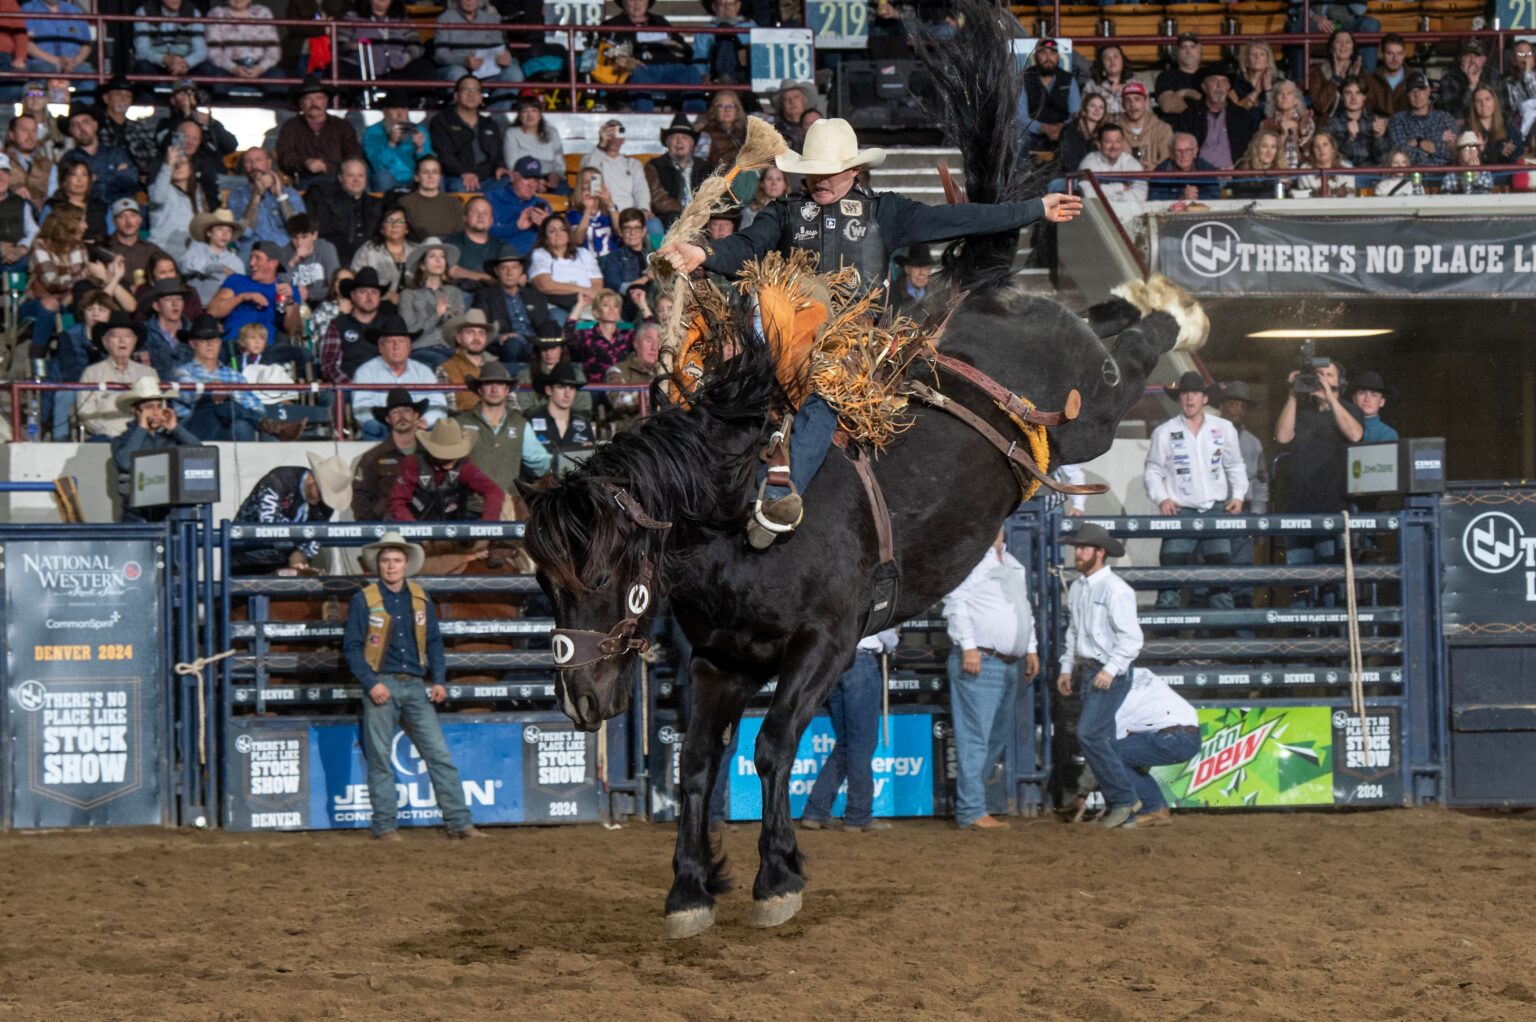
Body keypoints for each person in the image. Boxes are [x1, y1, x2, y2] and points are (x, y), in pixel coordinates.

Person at [657, 117, 1080, 542]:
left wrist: (1036, 209)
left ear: (854, 171)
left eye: (829, 171)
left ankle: (781, 494)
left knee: (824, 391)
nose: (819, 180)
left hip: (854, 346)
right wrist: (702, 252)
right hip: (787, 333)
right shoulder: (785, 212)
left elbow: (960, 218)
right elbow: (745, 248)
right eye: (813, 172)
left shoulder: (885, 212)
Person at [343, 530, 486, 841]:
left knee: (438, 756)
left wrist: (438, 679)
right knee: (382, 759)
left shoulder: (420, 598)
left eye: (396, 560)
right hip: (382, 684)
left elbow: (434, 641)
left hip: (414, 685)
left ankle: (459, 822)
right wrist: (370, 683)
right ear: (378, 565)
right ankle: (386, 826)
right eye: (386, 561)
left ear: (405, 564)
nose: (391, 566)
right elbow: (352, 648)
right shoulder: (363, 600)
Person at [942, 529, 1040, 831]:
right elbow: (955, 601)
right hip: (981, 659)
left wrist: (1031, 648)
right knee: (976, 738)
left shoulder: (1011, 563)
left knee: (993, 737)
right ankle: (971, 809)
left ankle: (973, 803)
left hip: (1008, 661)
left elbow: (1024, 609)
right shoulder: (972, 559)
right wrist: (968, 645)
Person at [1055, 523, 1144, 830]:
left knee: (1089, 734)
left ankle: (1123, 799)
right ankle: (1125, 813)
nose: (1078, 553)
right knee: (1099, 738)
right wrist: (1067, 667)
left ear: (1100, 552)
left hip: (1108, 672)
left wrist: (1109, 669)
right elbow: (1075, 631)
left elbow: (1131, 639)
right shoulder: (1080, 587)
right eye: (1077, 547)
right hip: (1091, 670)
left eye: (1083, 548)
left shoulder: (1117, 590)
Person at [1143, 370, 1247, 611]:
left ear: (1205, 398)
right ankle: (1168, 642)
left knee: (1220, 581)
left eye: (1195, 393)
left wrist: (1239, 496)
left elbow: (1235, 465)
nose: (1190, 399)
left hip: (1215, 510)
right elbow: (1153, 470)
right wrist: (1162, 498)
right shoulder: (1165, 431)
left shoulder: (1223, 428)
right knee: (1170, 580)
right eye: (1185, 394)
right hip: (1180, 513)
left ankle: (1222, 643)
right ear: (1179, 398)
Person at [797, 626, 898, 833]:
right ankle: (858, 816)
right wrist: (893, 639)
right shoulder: (871, 593)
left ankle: (816, 811)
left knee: (845, 744)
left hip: (831, 665)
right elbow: (887, 636)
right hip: (860, 662)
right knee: (861, 744)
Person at [1273, 357, 1363, 581]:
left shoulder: (1350, 410)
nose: (1322, 379)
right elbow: (1283, 437)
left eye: (1328, 374)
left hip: (1333, 506)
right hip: (1299, 506)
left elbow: (1355, 434)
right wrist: (1293, 394)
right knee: (1299, 579)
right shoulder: (1301, 411)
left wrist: (1331, 399)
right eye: (1317, 374)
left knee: (1330, 578)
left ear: (1339, 381)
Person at [173, 313, 296, 440]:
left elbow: (256, 407)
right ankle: (272, 427)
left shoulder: (234, 375)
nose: (210, 344)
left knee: (240, 424)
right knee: (212, 404)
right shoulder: (182, 372)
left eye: (214, 339)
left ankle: (265, 429)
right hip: (193, 429)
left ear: (220, 342)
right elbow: (190, 396)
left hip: (225, 429)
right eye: (203, 340)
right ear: (193, 344)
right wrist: (213, 392)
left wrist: (225, 396)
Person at [229, 451, 353, 573]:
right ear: (312, 480)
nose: (322, 500)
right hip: (244, 556)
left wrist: (299, 558)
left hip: (279, 562)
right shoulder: (279, 479)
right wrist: (297, 551)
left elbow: (312, 542)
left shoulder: (325, 505)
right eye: (322, 493)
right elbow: (268, 528)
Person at [1112, 669, 1200, 828]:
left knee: (1112, 755)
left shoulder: (1121, 698)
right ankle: (1153, 808)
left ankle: (1154, 808)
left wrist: (1082, 793)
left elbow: (1108, 748)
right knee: (1125, 754)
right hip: (1189, 735)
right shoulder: (1141, 673)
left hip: (1171, 737)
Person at [111, 376, 202, 521]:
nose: (155, 412)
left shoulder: (172, 437)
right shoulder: (123, 440)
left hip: (169, 512)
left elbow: (200, 454)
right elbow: (125, 463)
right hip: (137, 514)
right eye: (149, 407)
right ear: (136, 411)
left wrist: (174, 428)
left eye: (159, 406)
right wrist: (141, 428)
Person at [453, 361, 551, 493]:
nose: (494, 389)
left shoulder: (520, 424)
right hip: (471, 505)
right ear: (479, 389)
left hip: (510, 505)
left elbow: (541, 462)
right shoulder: (461, 423)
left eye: (499, 383)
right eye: (488, 383)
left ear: (506, 390)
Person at [389, 417, 506, 520]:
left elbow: (494, 492)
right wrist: (415, 531)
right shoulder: (413, 463)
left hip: (453, 531)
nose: (448, 459)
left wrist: (486, 530)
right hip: (415, 526)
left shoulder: (465, 468)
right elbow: (398, 502)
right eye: (443, 454)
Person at [352, 312, 448, 438]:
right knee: (372, 427)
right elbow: (362, 410)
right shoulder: (365, 372)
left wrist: (424, 421)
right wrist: (393, 423)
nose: (396, 346)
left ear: (409, 347)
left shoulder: (424, 372)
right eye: (390, 341)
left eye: (401, 341)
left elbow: (439, 405)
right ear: (381, 347)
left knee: (441, 428)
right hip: (384, 427)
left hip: (419, 428)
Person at [598, 0, 702, 113]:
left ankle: (695, 116)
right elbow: (606, 51)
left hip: (668, 68)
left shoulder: (660, 21)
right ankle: (644, 117)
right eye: (631, 0)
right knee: (637, 73)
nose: (637, 4)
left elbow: (686, 51)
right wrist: (624, 59)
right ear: (623, 3)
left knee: (691, 72)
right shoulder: (612, 24)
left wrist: (676, 47)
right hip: (638, 69)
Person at [231, 322, 331, 431]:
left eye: (261, 338)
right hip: (248, 401)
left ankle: (295, 424)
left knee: (285, 405)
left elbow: (303, 354)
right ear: (242, 342)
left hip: (272, 399)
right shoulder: (236, 362)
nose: (257, 342)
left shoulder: (271, 357)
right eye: (252, 338)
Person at [276, 79, 366, 192]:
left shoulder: (342, 126)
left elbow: (354, 155)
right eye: (308, 98)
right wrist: (306, 163)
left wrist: (328, 167)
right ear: (300, 103)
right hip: (306, 181)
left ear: (326, 101)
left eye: (319, 98)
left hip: (339, 181)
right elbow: (284, 157)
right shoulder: (291, 127)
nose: (314, 103)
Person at [206, 239, 300, 344]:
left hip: (264, 349)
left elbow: (293, 330)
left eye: (257, 258)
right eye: (251, 257)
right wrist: (241, 297)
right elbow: (213, 311)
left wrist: (290, 303)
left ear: (273, 263)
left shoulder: (287, 290)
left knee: (302, 354)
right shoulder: (236, 280)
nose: (251, 263)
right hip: (234, 344)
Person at [352, 387, 426, 519]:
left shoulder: (430, 453)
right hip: (389, 529)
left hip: (428, 526)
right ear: (388, 419)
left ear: (416, 415)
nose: (402, 416)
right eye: (395, 412)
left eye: (407, 410)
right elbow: (361, 498)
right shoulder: (374, 457)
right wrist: (372, 532)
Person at [428, 75, 506, 193]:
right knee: (460, 187)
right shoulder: (442, 121)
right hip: (457, 177)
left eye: (475, 91)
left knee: (510, 184)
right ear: (456, 96)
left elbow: (498, 155)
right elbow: (445, 156)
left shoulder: (489, 124)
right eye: (466, 90)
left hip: (487, 178)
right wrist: (463, 173)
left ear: (480, 98)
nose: (471, 94)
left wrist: (500, 167)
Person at [398, 236, 466, 364]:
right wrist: (437, 315)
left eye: (442, 256)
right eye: (432, 256)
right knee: (446, 364)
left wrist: (452, 318)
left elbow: (459, 329)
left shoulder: (454, 292)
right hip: (421, 349)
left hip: (450, 348)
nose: (438, 260)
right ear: (422, 265)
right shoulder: (408, 295)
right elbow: (410, 331)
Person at [147, 130, 213, 261]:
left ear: (191, 168)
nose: (179, 165)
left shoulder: (198, 194)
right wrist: (168, 164)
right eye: (175, 164)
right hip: (162, 254)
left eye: (183, 162)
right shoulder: (160, 188)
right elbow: (158, 197)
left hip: (189, 256)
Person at [227, 148, 305, 258]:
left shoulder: (290, 193)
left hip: (284, 250)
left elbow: (299, 229)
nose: (253, 166)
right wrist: (256, 195)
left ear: (269, 163)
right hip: (251, 252)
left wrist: (280, 196)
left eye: (258, 160)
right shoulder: (236, 195)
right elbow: (245, 232)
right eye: (248, 161)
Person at [474, 252, 550, 364]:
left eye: (514, 267)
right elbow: (480, 327)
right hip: (506, 346)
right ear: (497, 271)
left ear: (521, 270)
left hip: (534, 344)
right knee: (513, 343)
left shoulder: (535, 296)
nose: (509, 273)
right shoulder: (485, 295)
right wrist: (499, 337)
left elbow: (545, 324)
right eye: (504, 268)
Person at [319, 266, 390, 385]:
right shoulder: (338, 325)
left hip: (384, 386)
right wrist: (352, 386)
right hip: (347, 386)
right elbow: (329, 366)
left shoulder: (389, 324)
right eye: (363, 292)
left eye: (374, 292)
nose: (369, 297)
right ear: (352, 295)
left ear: (379, 297)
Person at [433, 0, 522, 91]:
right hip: (458, 69)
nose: (469, 1)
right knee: (458, 74)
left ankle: (497, 105)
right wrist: (463, 60)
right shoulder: (444, 19)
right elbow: (440, 56)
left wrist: (504, 57)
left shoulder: (491, 19)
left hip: (488, 71)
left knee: (514, 73)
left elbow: (498, 48)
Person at [1176, 68, 1254, 171]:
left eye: (1224, 81)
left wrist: (1238, 170)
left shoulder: (1242, 116)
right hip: (1199, 176)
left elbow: (1249, 150)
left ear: (1229, 87)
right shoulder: (1189, 116)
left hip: (1233, 176)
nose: (1220, 85)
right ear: (1204, 87)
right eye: (1214, 81)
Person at [59, 106, 138, 208]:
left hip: (118, 214)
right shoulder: (69, 158)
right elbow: (66, 189)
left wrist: (96, 178)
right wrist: (114, 174)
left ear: (95, 126)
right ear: (70, 131)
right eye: (75, 125)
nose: (81, 128)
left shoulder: (115, 152)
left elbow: (131, 178)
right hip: (84, 213)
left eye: (85, 122)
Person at [529, 216, 601, 325]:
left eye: (562, 229)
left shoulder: (583, 253)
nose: (558, 234)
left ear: (568, 233)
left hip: (587, 302)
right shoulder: (540, 254)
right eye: (552, 231)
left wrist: (590, 296)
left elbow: (597, 283)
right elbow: (545, 285)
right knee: (564, 325)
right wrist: (583, 290)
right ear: (545, 238)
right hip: (557, 304)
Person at [527, 360, 595, 474]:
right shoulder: (531, 422)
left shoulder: (584, 424)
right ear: (549, 390)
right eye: (561, 387)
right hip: (540, 487)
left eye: (572, 388)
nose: (567, 394)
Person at [203, 0, 284, 92]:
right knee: (218, 83)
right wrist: (233, 68)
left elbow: (273, 50)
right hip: (227, 67)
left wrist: (260, 68)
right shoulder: (216, 14)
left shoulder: (263, 13)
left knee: (278, 79)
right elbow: (213, 51)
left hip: (259, 65)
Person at [644, 114, 708, 230]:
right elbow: (658, 199)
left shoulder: (704, 167)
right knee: (672, 217)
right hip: (670, 217)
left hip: (702, 216)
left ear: (692, 144)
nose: (679, 142)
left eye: (684, 137)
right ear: (667, 143)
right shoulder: (654, 166)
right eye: (674, 137)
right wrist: (686, 211)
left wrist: (701, 211)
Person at [363, 90, 431, 193]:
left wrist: (420, 148)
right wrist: (391, 143)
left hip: (414, 178)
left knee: (433, 176)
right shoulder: (372, 132)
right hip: (388, 179)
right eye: (394, 109)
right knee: (383, 177)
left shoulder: (419, 131)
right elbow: (377, 166)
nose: (400, 114)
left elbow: (430, 163)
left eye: (403, 109)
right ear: (384, 111)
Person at [579, 120, 651, 218]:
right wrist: (601, 145)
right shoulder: (590, 159)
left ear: (623, 139)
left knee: (654, 225)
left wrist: (643, 209)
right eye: (609, 132)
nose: (614, 137)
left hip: (629, 214)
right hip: (602, 212)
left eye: (618, 132)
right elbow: (589, 177)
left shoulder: (633, 164)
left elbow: (641, 189)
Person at [1018, 38, 1079, 153]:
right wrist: (1042, 128)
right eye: (1043, 53)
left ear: (1058, 57)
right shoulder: (1024, 79)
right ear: (1036, 57)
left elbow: (1076, 114)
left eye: (1052, 53)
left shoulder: (1068, 79)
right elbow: (1020, 117)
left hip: (1063, 134)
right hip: (1032, 136)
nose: (1048, 57)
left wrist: (1062, 127)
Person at [484, 155, 552, 256]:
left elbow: (556, 239)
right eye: (527, 178)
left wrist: (547, 226)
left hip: (537, 259)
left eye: (536, 180)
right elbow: (482, 232)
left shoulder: (542, 205)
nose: (531, 185)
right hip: (502, 258)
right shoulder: (492, 198)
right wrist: (516, 226)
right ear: (512, 176)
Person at [95, 74, 159, 179]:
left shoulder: (139, 127)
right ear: (106, 98)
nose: (123, 99)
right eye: (118, 94)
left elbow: (152, 154)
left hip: (137, 181)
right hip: (105, 180)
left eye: (128, 96)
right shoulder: (96, 126)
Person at [1388, 73, 1458, 167]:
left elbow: (1453, 153)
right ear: (1407, 95)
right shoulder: (1397, 120)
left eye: (1421, 90)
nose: (1417, 95)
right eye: (1412, 91)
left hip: (1443, 177)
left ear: (1428, 91)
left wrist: (1418, 142)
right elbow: (1401, 155)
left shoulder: (1445, 118)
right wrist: (1437, 144)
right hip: (1410, 177)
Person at [1078, 123, 1145, 219]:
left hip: (1129, 217)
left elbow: (1140, 195)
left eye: (1118, 141)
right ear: (1099, 144)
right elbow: (1087, 194)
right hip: (1098, 217)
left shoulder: (1132, 163)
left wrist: (1106, 196)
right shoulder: (1089, 162)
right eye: (1108, 141)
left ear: (1123, 143)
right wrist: (1120, 187)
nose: (1114, 146)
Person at [435, 307, 497, 411]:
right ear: (459, 338)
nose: (476, 337)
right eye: (470, 332)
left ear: (485, 339)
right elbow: (449, 411)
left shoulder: (497, 367)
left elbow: (512, 407)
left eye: (481, 333)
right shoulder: (445, 369)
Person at [563, 287, 632, 378]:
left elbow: (651, 334)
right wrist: (580, 305)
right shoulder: (587, 335)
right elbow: (568, 335)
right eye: (606, 305)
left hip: (624, 388)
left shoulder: (627, 335)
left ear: (619, 314)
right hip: (594, 388)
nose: (611, 309)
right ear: (596, 313)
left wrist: (643, 305)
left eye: (615, 306)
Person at [503, 96, 567, 194]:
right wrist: (536, 181)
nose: (530, 115)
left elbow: (559, 163)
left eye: (534, 110)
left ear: (540, 114)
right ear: (519, 115)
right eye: (525, 111)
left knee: (564, 192)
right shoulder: (512, 133)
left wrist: (557, 176)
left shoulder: (552, 133)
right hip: (524, 179)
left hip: (549, 178)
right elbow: (512, 165)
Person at [182, 208, 246, 305]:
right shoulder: (197, 248)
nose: (225, 234)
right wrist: (218, 268)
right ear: (209, 233)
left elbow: (241, 288)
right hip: (195, 306)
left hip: (220, 309)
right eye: (220, 229)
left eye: (229, 231)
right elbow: (184, 265)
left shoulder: (235, 262)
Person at [21, 0, 95, 84]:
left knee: (88, 75)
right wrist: (57, 61)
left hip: (73, 64)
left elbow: (86, 44)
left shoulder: (75, 10)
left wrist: (75, 62)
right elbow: (26, 44)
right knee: (43, 71)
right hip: (41, 63)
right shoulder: (28, 9)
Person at [350, 209, 417, 299]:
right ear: (381, 229)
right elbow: (355, 280)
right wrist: (386, 295)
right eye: (389, 221)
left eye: (400, 221)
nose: (394, 225)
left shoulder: (417, 251)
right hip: (378, 304)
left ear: (406, 229)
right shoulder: (368, 250)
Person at [133, 0, 207, 80]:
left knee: (212, 71)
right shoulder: (144, 11)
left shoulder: (193, 12)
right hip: (156, 64)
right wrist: (165, 59)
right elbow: (141, 50)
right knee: (143, 68)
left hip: (185, 64)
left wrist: (186, 63)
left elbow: (201, 50)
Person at [397, 156, 466, 241]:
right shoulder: (404, 203)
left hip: (449, 250)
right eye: (425, 172)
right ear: (416, 177)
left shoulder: (455, 203)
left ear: (440, 177)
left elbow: (460, 237)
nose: (430, 176)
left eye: (435, 172)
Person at [604, 318, 659, 427]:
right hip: (631, 433)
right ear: (636, 344)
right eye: (648, 341)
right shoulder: (617, 370)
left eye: (659, 342)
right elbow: (618, 401)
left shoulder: (668, 372)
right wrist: (658, 393)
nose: (654, 348)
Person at [444, 195, 506, 290]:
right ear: (465, 218)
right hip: (463, 296)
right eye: (475, 212)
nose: (481, 216)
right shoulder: (451, 243)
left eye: (485, 213)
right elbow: (452, 271)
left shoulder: (500, 245)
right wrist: (486, 278)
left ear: (491, 221)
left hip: (494, 297)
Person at [1329, 77, 1390, 169]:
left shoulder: (1376, 121)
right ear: (1342, 96)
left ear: (1364, 97)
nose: (1353, 98)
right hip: (1343, 175)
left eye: (1358, 93)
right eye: (1348, 93)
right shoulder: (1332, 123)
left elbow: (1383, 160)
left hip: (1371, 175)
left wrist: (1378, 138)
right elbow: (1331, 159)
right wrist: (1350, 138)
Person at [1438, 39, 1505, 121]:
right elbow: (1452, 115)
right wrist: (1471, 87)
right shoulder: (1449, 79)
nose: (1472, 60)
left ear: (1484, 59)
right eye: (1468, 55)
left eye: (1477, 55)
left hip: (1492, 126)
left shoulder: (1495, 77)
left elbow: (1505, 110)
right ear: (1461, 59)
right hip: (1463, 128)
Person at [103, 198, 169, 282]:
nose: (128, 221)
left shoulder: (152, 250)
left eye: (133, 215)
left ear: (140, 219)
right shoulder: (104, 249)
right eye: (121, 216)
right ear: (113, 222)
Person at [141, 277, 194, 379]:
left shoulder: (194, 333)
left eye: (179, 298)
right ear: (156, 306)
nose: (175, 304)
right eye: (168, 299)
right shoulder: (144, 333)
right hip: (156, 393)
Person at [280, 213, 339, 304]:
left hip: (323, 303)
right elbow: (279, 287)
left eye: (304, 237)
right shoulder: (285, 252)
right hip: (294, 304)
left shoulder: (326, 248)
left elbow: (336, 286)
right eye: (295, 237)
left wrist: (309, 293)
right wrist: (293, 262)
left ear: (314, 235)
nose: (299, 243)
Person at [6, 112, 57, 215]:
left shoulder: (49, 165)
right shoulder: (2, 160)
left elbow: (53, 197)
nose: (30, 136)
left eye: (34, 131)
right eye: (24, 130)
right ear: (12, 135)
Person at [1115, 81, 1173, 172]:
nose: (1132, 105)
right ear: (1123, 104)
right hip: (1125, 182)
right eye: (1128, 100)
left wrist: (1156, 167)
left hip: (1156, 182)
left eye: (1137, 99)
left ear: (1146, 102)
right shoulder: (1114, 130)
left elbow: (1167, 157)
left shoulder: (1163, 129)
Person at [691, 0, 752, 86]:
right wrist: (702, 75)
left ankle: (727, 77)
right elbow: (700, 54)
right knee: (724, 30)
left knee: (725, 30)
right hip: (715, 75)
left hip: (743, 74)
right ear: (714, 7)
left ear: (738, 5)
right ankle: (725, 77)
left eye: (731, 3)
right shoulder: (705, 31)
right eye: (722, 3)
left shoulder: (751, 27)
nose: (726, 7)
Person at [1308, 28, 1363, 120]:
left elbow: (1363, 106)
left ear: (1353, 49)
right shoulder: (1317, 73)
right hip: (1326, 125)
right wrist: (1335, 79)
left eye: (1348, 42)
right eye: (1338, 42)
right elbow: (1320, 107)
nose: (1343, 45)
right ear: (1331, 48)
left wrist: (1354, 80)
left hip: (1353, 123)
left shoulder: (1361, 72)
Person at [1261, 79, 1315, 168]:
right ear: (1274, 100)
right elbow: (1265, 157)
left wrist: (1302, 134)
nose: (1284, 96)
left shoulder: (1306, 121)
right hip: (1276, 172)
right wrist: (1282, 135)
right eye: (1280, 93)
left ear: (1296, 100)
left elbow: (1312, 154)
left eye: (1289, 93)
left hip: (1302, 173)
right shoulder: (1266, 124)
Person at [1149, 133, 1220, 201]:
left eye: (1188, 150)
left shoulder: (1207, 168)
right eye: (1179, 151)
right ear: (1171, 153)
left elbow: (1215, 195)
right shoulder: (1161, 170)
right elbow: (1154, 197)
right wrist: (1181, 197)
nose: (1183, 155)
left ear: (1195, 152)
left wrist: (1195, 197)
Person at [1463, 83, 1521, 166]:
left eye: (1487, 99)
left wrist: (1508, 154)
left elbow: (1519, 154)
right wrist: (1497, 152)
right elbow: (1466, 160)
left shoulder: (1507, 125)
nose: (1483, 104)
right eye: (1478, 101)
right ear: (1474, 106)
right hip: (1479, 175)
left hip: (1505, 174)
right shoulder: (1467, 130)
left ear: (1494, 101)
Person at [1154, 33, 1206, 124]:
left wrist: (1183, 93)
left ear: (1200, 50)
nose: (1188, 51)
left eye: (1193, 47)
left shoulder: (1209, 76)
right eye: (1183, 47)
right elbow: (1167, 106)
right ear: (1176, 52)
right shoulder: (1166, 77)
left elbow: (1219, 105)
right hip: (1177, 130)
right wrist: (1199, 99)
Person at [0, 153, 39, 271]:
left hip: (19, 257)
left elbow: (33, 231)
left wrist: (21, 249)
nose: (1, 177)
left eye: (5, 172)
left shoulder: (21, 203)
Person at [568, 167, 617, 258]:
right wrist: (588, 211)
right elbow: (578, 240)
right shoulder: (573, 214)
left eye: (593, 182)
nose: (590, 186)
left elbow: (620, 232)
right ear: (580, 186)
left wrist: (610, 203)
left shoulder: (609, 210)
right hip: (587, 264)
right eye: (586, 182)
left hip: (612, 261)